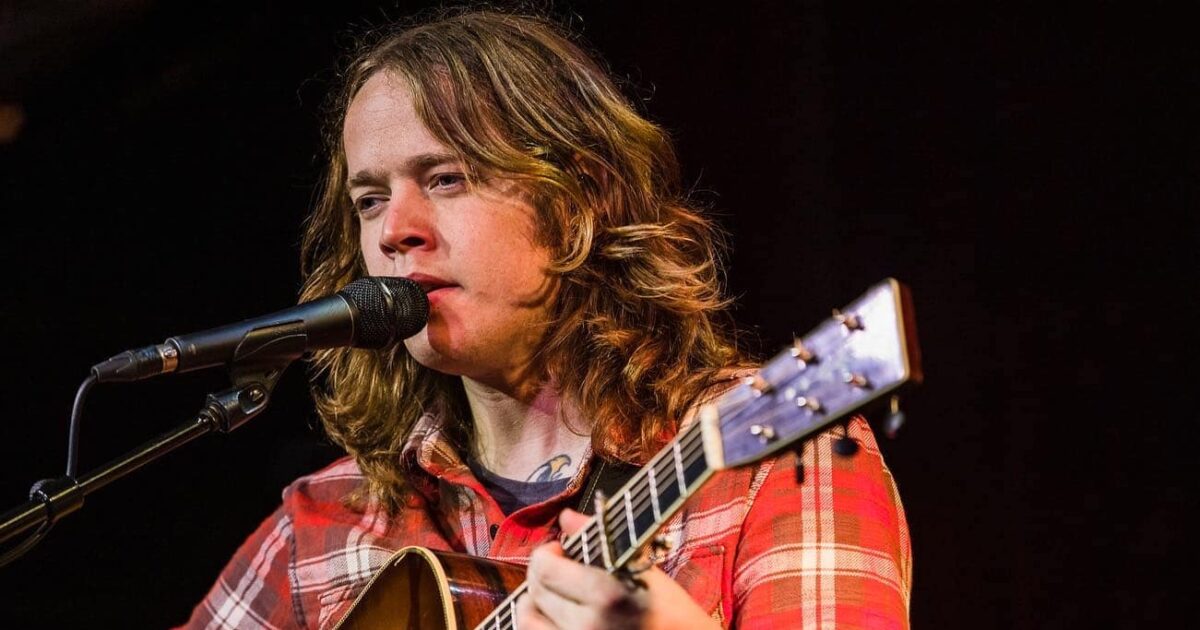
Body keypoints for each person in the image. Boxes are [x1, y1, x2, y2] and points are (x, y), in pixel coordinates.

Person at [180, 8, 911, 629]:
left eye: (446, 179)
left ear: (577, 202)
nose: (395, 230)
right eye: (370, 200)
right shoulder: (325, 524)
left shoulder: (776, 458)